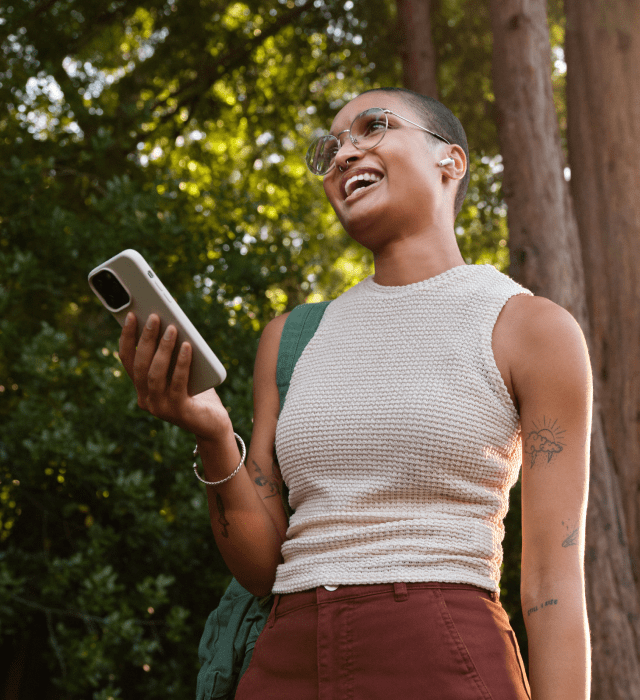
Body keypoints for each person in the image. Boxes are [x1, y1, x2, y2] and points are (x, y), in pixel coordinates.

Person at [118, 87, 592, 699]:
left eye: (373, 127)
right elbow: (263, 566)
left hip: (440, 652)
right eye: (331, 148)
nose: (344, 154)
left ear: (450, 161)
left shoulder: (529, 327)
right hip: (284, 659)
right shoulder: (290, 339)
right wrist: (212, 435)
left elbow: (553, 582)